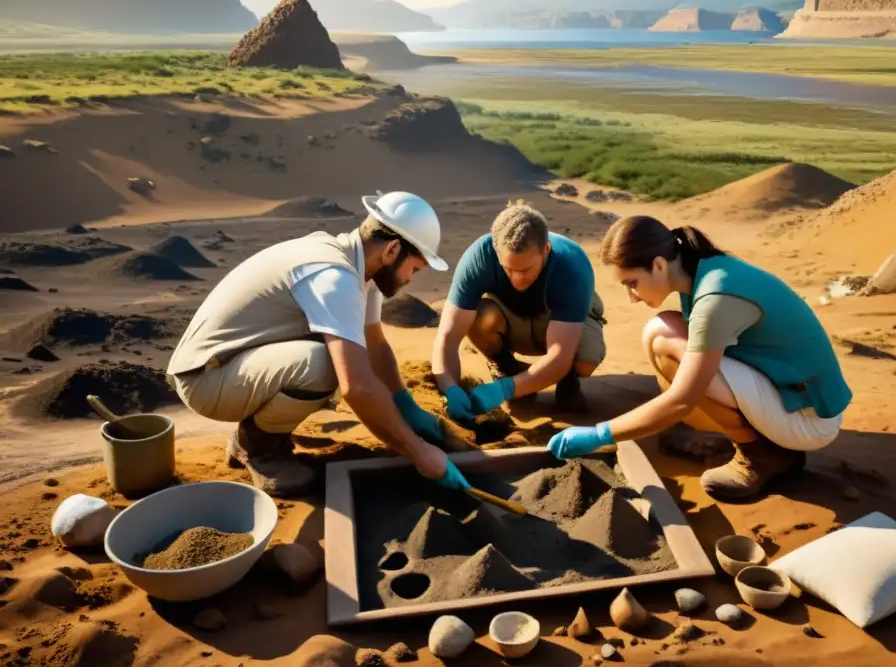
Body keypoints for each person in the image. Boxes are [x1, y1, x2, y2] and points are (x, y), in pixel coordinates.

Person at [166, 191, 471, 497]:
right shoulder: (334, 277)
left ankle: (264, 434)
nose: (410, 279)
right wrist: (419, 453)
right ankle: (258, 448)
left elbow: (375, 346)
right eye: (415, 269)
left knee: (347, 353)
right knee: (329, 365)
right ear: (392, 250)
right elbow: (357, 387)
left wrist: (407, 408)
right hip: (206, 380)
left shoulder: (358, 269)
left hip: (235, 362)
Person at [547, 216, 851, 501]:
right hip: (787, 390)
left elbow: (682, 398)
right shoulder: (700, 271)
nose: (632, 296)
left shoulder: (715, 296)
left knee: (666, 340)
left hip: (808, 419)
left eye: (632, 283)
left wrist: (599, 434)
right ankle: (750, 438)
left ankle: (762, 455)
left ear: (658, 265)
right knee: (663, 329)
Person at [431, 201, 606, 423]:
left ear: (546, 250)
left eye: (525, 269)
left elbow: (560, 356)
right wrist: (451, 390)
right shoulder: (478, 259)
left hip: (560, 322)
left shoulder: (571, 265)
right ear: (496, 252)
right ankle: (507, 369)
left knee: (586, 360)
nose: (517, 278)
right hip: (511, 317)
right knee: (479, 316)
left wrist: (504, 391)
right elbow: (447, 339)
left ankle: (568, 381)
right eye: (509, 269)